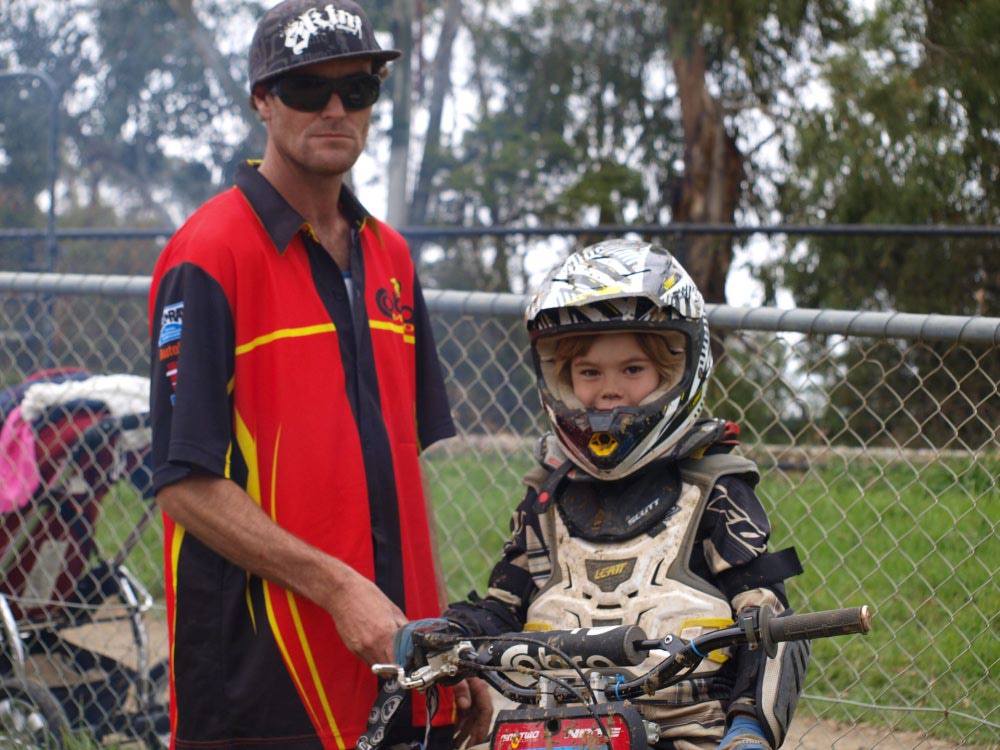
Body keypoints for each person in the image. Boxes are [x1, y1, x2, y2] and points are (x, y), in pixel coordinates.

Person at [147, 1, 489, 748]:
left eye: (358, 89)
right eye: (307, 90)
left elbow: (400, 476)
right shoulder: (208, 255)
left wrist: (432, 640)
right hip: (257, 681)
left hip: (390, 667)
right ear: (262, 101)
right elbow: (183, 484)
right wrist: (338, 588)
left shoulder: (393, 259)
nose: (336, 109)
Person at [436, 239, 811, 749]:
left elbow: (769, 620)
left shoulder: (715, 488)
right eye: (589, 372)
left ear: (677, 368)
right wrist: (447, 632)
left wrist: (747, 731)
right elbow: (503, 608)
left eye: (632, 369)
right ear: (560, 377)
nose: (609, 390)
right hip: (552, 733)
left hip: (690, 733)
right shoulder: (545, 498)